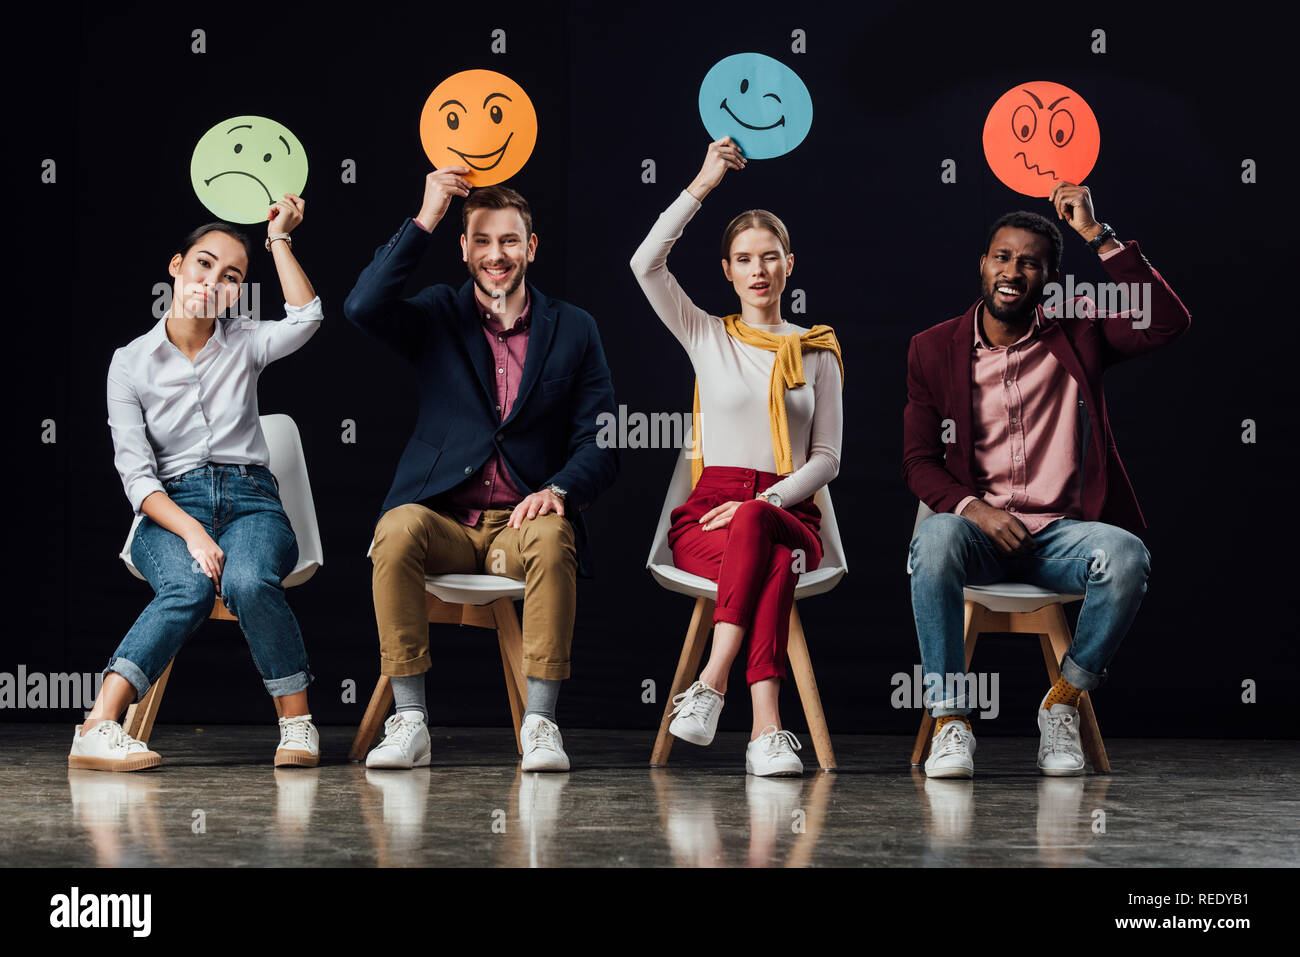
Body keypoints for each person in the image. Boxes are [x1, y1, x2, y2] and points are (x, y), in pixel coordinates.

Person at [903, 182, 1191, 778]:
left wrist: (1097, 235)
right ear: (982, 265)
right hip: (979, 536)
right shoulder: (932, 349)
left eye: (1030, 263)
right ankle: (951, 722)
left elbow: (1168, 322)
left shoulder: (1079, 335)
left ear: (1049, 279)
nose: (1013, 272)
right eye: (1003, 257)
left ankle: (1063, 703)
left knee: (1127, 556)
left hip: (1062, 537)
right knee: (933, 540)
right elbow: (918, 462)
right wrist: (975, 511)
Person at [344, 171, 618, 773]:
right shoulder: (438, 314)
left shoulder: (574, 327)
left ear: (532, 247)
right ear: (464, 248)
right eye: (484, 241)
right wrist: (428, 213)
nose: (498, 254)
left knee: (554, 534)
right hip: (446, 522)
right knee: (395, 527)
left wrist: (559, 489)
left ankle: (541, 724)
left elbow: (603, 439)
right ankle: (411, 721)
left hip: (518, 530)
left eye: (511, 241)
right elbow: (363, 305)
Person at [71, 194, 324, 772]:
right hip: (170, 507)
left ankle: (298, 725)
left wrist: (279, 238)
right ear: (176, 267)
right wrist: (192, 534)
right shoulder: (129, 363)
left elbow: (307, 317)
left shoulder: (245, 341)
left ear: (238, 290)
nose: (214, 280)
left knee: (249, 578)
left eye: (231, 275)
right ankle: (97, 726)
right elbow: (136, 477)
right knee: (186, 586)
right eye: (204, 263)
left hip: (252, 502)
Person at [630, 137, 844, 777]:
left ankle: (711, 681)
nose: (758, 270)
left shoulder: (818, 349)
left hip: (789, 509)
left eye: (769, 258)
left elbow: (827, 458)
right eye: (744, 259)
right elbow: (645, 263)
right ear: (726, 269)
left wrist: (767, 499)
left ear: (789, 265)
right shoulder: (705, 333)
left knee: (762, 527)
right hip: (707, 518)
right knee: (772, 559)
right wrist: (702, 183)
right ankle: (767, 730)